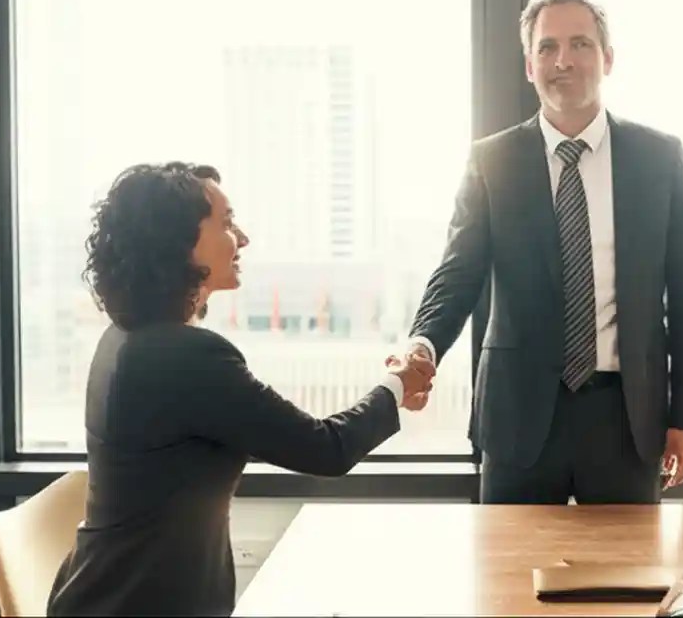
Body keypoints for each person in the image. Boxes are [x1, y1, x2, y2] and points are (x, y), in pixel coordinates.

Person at [47, 162, 435, 617]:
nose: (243, 238)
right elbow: (326, 448)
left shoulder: (123, 340)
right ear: (179, 241)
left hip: (103, 597)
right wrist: (398, 384)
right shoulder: (187, 357)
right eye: (227, 223)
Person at [405, 0, 683, 505]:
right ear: (529, 66)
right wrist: (423, 345)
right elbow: (457, 274)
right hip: (519, 417)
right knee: (508, 560)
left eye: (580, 44)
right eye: (547, 47)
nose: (563, 60)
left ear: (608, 58)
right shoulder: (492, 162)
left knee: (627, 560)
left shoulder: (659, 159)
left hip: (627, 418)